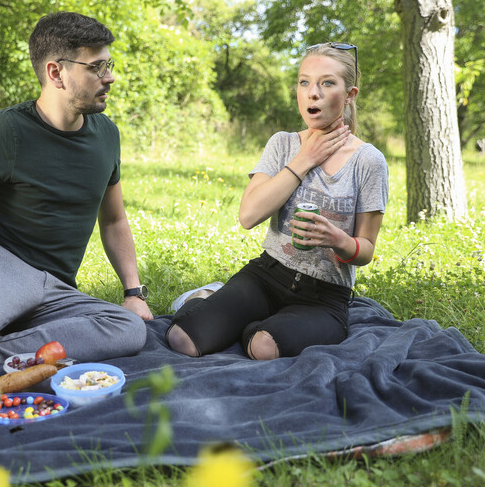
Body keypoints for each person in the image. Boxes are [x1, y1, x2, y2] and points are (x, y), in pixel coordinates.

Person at [0, 11, 152, 366]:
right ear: (56, 72)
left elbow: (114, 221)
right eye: (96, 68)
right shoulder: (7, 131)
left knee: (129, 328)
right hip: (1, 263)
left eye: (109, 65)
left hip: (56, 288)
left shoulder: (107, 135)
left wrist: (133, 293)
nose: (110, 77)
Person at [166, 42, 388, 360]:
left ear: (350, 94)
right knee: (181, 339)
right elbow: (248, 216)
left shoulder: (369, 161)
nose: (313, 93)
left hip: (324, 296)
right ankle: (210, 298)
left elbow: (365, 250)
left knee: (264, 346)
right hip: (267, 275)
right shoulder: (282, 145)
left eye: (327, 83)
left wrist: (339, 240)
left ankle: (251, 323)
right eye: (304, 82)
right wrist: (303, 160)